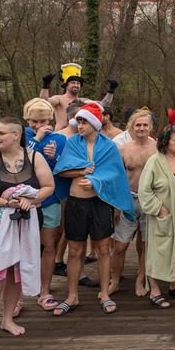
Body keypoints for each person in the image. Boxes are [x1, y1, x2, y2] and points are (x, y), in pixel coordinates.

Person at [0, 118, 55, 344]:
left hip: (27, 221)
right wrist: (6, 202)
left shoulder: (34, 157)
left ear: (16, 135)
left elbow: (49, 186)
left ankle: (7, 319)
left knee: (17, 272)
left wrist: (31, 197)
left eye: (1, 133)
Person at [52, 102, 134, 316]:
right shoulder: (72, 144)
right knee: (75, 251)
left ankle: (105, 294)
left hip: (99, 204)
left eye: (84, 121)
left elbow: (115, 175)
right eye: (78, 121)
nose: (80, 125)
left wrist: (96, 180)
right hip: (76, 203)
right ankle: (72, 296)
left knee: (103, 249)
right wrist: (80, 172)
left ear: (95, 124)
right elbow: (60, 171)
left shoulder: (108, 146)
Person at [137, 112, 175, 308]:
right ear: (165, 142)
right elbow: (144, 191)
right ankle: (154, 289)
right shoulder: (155, 161)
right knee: (156, 251)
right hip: (162, 216)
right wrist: (158, 208)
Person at [22, 98, 68, 311]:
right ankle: (18, 296)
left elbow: (63, 169)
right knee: (21, 246)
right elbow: (18, 160)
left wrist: (54, 157)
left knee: (48, 244)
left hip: (50, 199)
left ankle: (45, 290)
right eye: (34, 121)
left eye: (42, 121)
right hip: (23, 199)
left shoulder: (59, 139)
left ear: (50, 120)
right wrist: (37, 139)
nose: (38, 126)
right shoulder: (19, 135)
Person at [110, 109, 157, 297]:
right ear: (131, 126)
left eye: (145, 125)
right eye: (138, 125)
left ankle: (141, 278)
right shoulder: (122, 149)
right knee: (120, 246)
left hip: (150, 200)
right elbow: (116, 178)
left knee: (146, 244)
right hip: (127, 201)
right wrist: (115, 205)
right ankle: (115, 280)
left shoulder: (157, 148)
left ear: (150, 127)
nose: (141, 128)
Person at [39, 62, 117, 130]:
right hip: (60, 136)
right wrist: (46, 85)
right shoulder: (59, 99)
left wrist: (111, 91)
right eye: (73, 82)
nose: (76, 85)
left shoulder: (84, 101)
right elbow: (43, 102)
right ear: (66, 85)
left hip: (78, 137)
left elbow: (104, 104)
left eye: (78, 83)